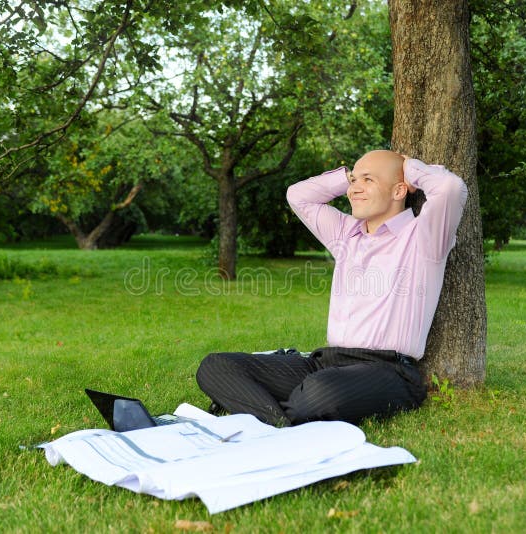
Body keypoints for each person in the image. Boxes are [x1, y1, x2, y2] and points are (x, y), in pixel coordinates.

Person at [196, 150, 468, 427]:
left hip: (387, 371)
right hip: (325, 362)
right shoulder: (345, 234)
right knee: (216, 367)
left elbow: (450, 188)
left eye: (368, 180)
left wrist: (409, 167)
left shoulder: (424, 237)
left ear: (399, 190)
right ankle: (281, 424)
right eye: (354, 180)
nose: (355, 189)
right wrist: (346, 177)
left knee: (318, 391)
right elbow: (298, 196)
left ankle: (269, 415)